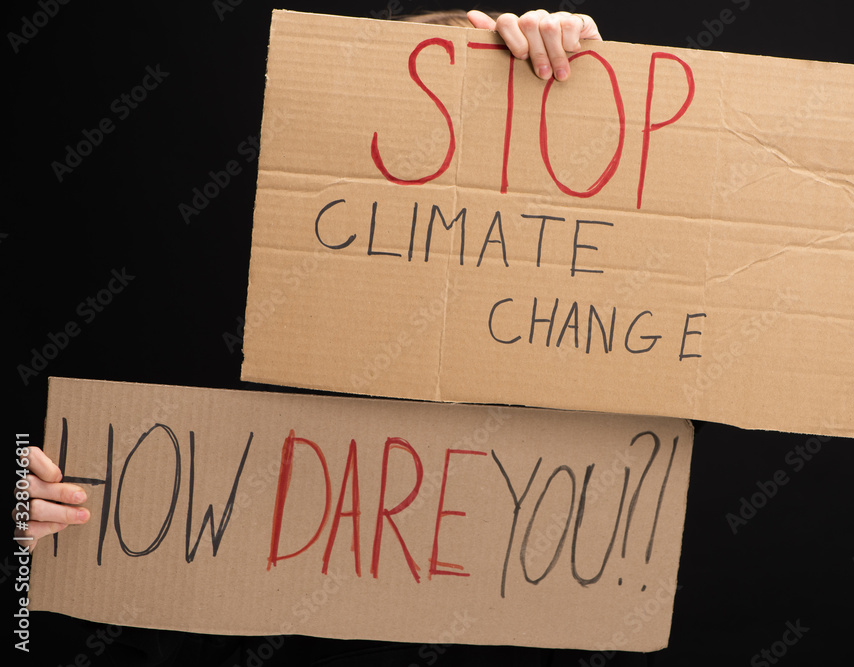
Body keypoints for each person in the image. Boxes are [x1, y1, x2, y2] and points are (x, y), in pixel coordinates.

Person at [15, 7, 603, 554]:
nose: (443, 206)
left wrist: (592, 74)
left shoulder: (534, 355)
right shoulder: (203, 326)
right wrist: (29, 505)